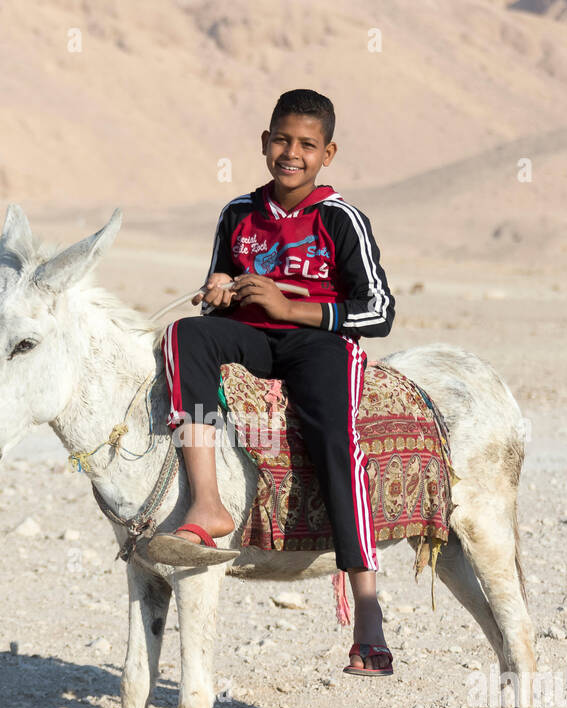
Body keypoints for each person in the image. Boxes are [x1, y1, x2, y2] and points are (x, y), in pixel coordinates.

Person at [148, 88, 398, 677]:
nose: (292, 153)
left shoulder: (342, 220)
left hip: (318, 340)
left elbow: (379, 312)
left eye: (307, 145)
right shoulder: (238, 213)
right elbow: (219, 295)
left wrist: (292, 309)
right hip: (251, 338)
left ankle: (366, 605)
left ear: (327, 153)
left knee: (335, 439)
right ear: (264, 143)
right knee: (185, 335)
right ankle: (208, 504)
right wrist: (217, 289)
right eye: (282, 140)